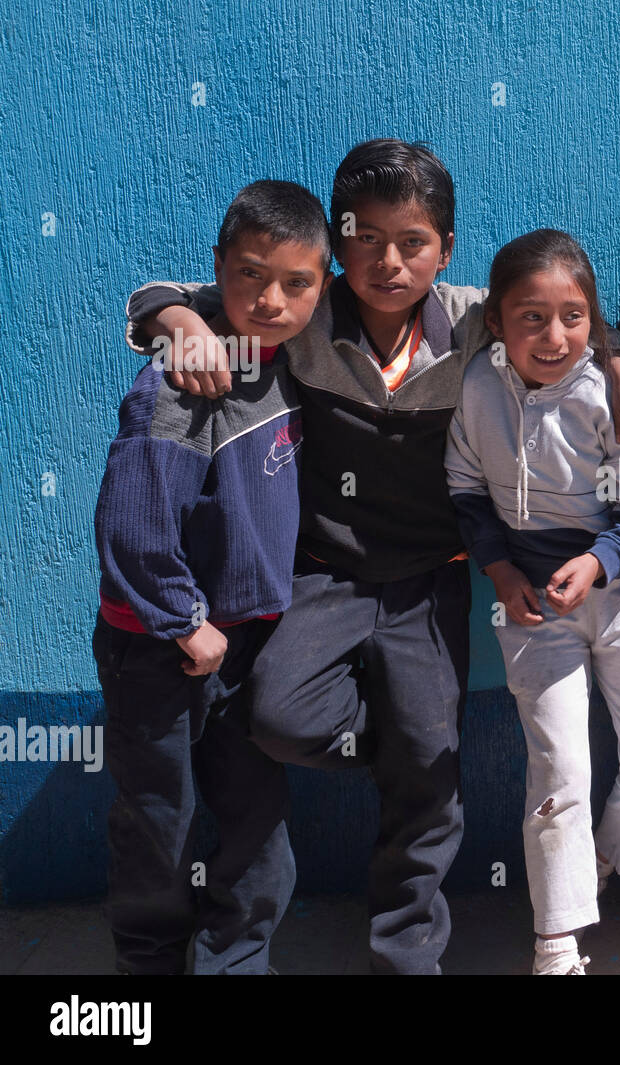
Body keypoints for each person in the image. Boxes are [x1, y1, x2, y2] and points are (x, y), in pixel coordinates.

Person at [123, 140, 620, 974]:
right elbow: (171, 297)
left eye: (412, 241)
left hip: (430, 578)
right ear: (337, 245)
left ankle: (407, 950)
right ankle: (406, 743)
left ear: (446, 250)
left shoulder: (478, 320)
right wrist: (177, 321)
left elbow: (569, 308)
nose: (389, 261)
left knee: (426, 773)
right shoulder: (301, 318)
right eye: (366, 238)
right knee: (277, 716)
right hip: (323, 572)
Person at [94, 179, 331, 973]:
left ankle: (236, 959)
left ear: (322, 285)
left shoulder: (293, 358)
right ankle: (149, 965)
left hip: (246, 645)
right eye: (250, 276)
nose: (270, 299)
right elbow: (131, 523)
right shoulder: (181, 382)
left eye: (296, 283)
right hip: (162, 650)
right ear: (218, 270)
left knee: (256, 820)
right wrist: (179, 619)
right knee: (161, 818)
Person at [447, 229, 620, 975]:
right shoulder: (478, 388)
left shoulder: (609, 393)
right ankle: (555, 938)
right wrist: (499, 570)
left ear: (593, 319)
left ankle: (599, 862)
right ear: (496, 323)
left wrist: (597, 561)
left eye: (573, 317)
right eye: (531, 318)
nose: (554, 336)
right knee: (560, 768)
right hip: (531, 612)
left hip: (619, 598)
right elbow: (465, 489)